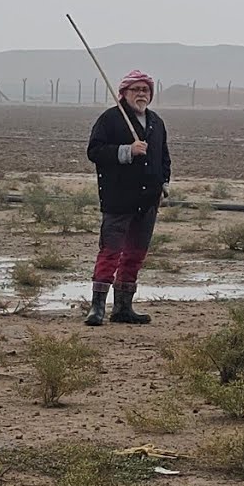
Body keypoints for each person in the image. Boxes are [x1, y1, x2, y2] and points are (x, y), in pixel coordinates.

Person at [83, 69, 171, 326]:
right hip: (118, 199)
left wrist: (163, 183)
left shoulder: (156, 122)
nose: (141, 94)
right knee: (110, 252)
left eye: (145, 90)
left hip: (148, 200)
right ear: (124, 93)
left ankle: (123, 307)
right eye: (136, 90)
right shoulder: (110, 119)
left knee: (135, 253)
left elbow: (163, 157)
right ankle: (97, 307)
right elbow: (95, 151)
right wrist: (127, 151)